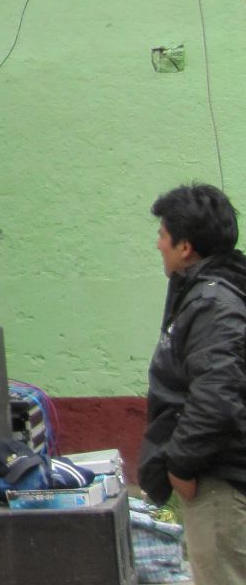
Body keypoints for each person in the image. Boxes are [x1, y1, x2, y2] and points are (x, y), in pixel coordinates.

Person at [141, 182, 246, 583]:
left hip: (219, 481)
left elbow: (217, 398)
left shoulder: (214, 304)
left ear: (185, 247)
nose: (158, 245)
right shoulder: (215, 293)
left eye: (163, 236)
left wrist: (181, 466)